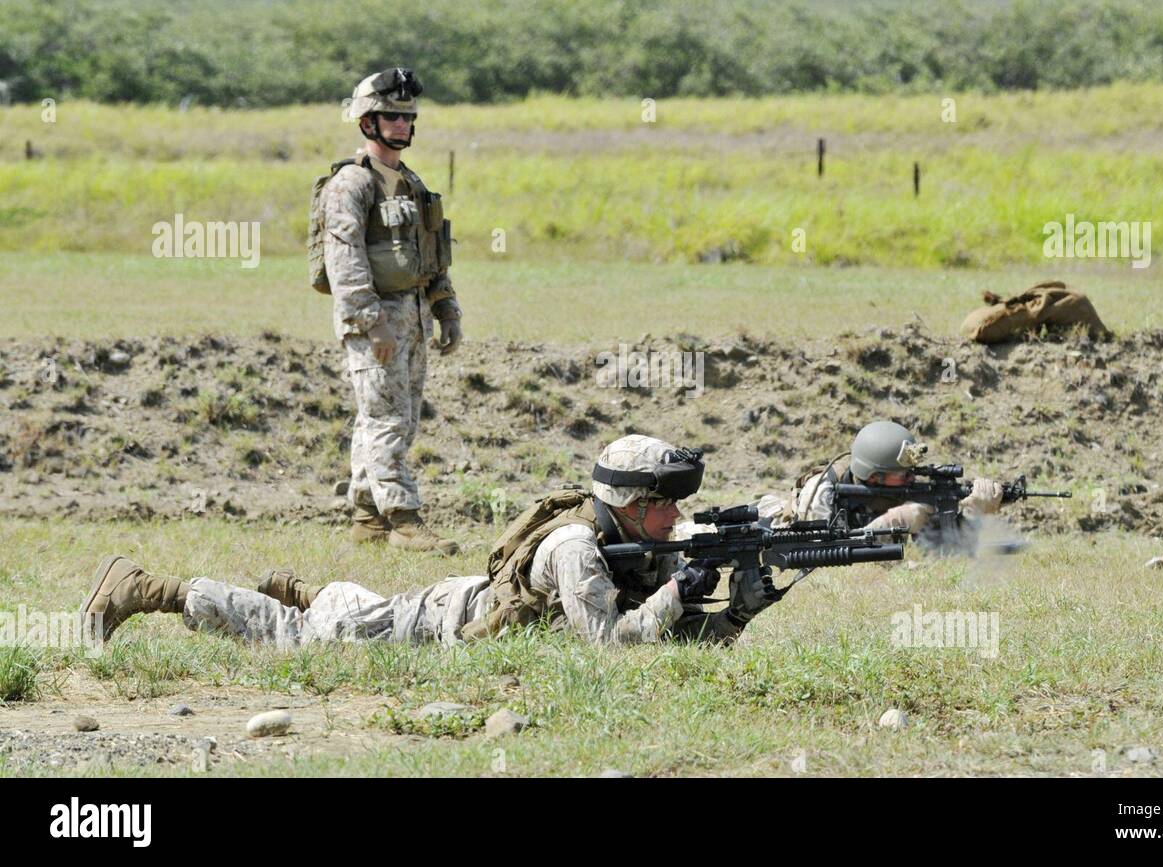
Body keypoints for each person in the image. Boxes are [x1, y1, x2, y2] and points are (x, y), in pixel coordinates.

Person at [78, 436, 778, 648]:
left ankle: (308, 591)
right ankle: (145, 588)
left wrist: (737, 611)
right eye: (668, 505)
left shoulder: (649, 537)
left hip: (441, 611)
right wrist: (674, 597)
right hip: (437, 625)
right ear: (634, 504)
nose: (678, 517)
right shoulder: (576, 548)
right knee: (297, 640)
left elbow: (673, 645)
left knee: (340, 610)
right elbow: (611, 650)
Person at [322, 67, 460, 552]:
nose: (401, 125)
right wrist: (371, 323)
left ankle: (367, 516)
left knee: (389, 418)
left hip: (414, 316)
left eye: (406, 117)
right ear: (367, 123)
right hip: (376, 319)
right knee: (388, 420)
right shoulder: (351, 185)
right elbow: (345, 262)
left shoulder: (411, 183)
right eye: (390, 117)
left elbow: (431, 251)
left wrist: (446, 309)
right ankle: (404, 519)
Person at [756, 420, 1003, 535]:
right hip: (769, 529)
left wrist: (974, 509)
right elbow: (816, 554)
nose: (911, 478)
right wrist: (889, 524)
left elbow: (946, 545)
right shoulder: (821, 491)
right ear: (874, 477)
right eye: (902, 474)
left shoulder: (901, 488)